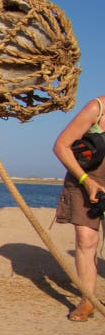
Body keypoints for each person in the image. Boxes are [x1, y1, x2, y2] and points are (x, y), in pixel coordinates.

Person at [53, 95, 105, 321]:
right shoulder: (97, 108)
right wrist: (86, 180)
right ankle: (88, 300)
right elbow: (61, 146)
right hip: (85, 178)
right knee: (86, 239)